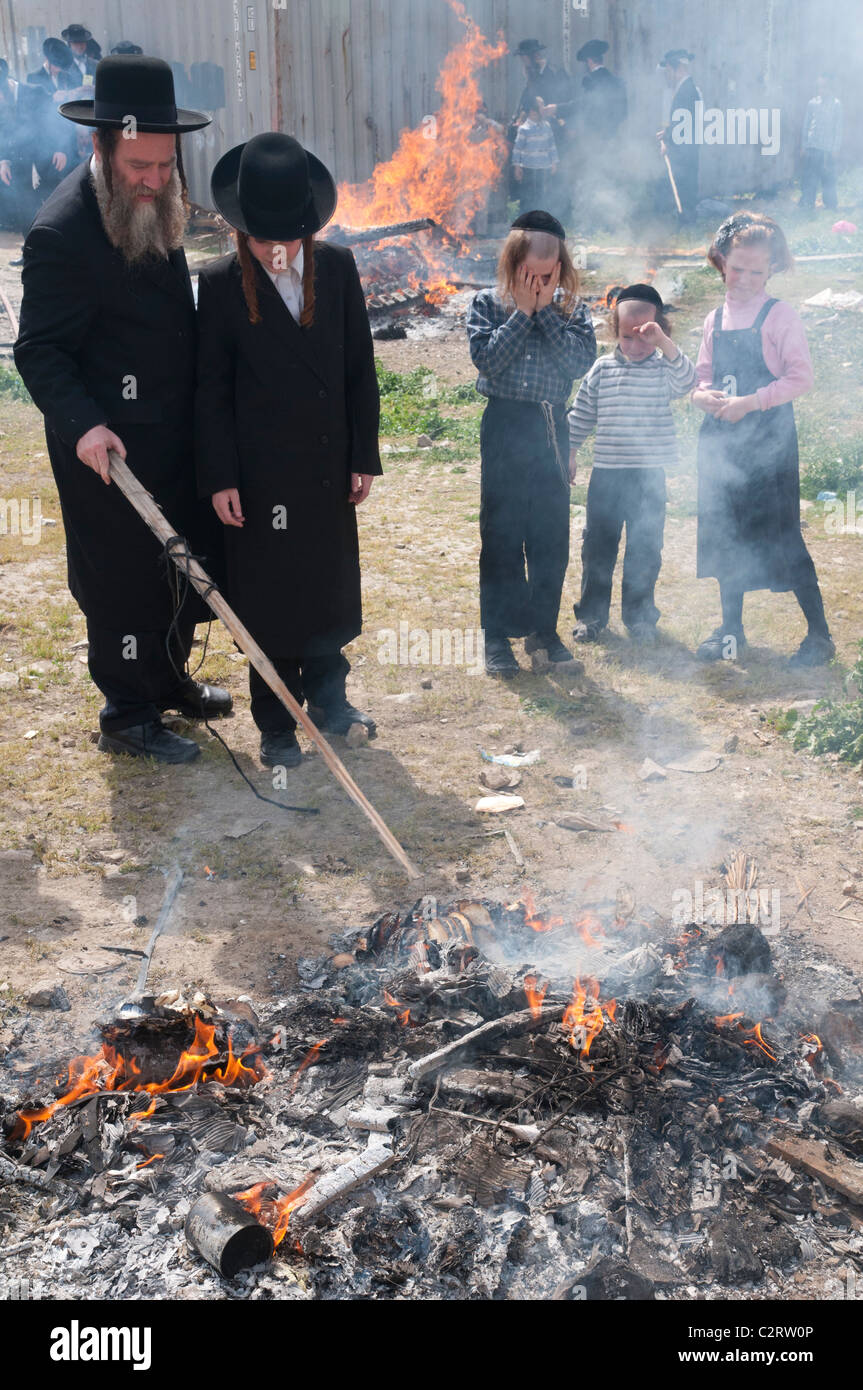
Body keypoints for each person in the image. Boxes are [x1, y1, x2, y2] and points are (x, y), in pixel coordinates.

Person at [14, 55, 231, 763]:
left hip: (170, 430)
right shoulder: (60, 235)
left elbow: (209, 264)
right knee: (122, 578)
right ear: (99, 147)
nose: (156, 180)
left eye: (166, 165)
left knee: (175, 562)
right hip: (105, 448)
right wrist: (84, 426)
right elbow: (39, 352)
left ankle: (169, 683)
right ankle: (127, 713)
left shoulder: (163, 196)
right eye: (140, 166)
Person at [195, 133, 381, 770]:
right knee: (268, 599)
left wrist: (363, 455)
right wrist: (220, 475)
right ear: (242, 230)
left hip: (326, 468)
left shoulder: (338, 269)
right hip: (257, 475)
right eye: (263, 237)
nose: (278, 250)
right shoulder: (219, 284)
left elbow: (359, 368)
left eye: (288, 237)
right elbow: (210, 390)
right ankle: (276, 720)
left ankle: (331, 700)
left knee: (327, 588)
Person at [691, 213, 833, 667]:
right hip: (721, 444)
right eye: (737, 268)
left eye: (757, 271)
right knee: (726, 535)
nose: (746, 279)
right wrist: (702, 396)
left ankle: (819, 637)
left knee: (782, 536)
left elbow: (801, 379)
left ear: (772, 269)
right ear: (721, 262)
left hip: (768, 444)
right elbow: (701, 377)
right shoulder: (715, 318)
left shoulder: (780, 315)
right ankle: (732, 631)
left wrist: (749, 403)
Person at [466, 210, 596, 677]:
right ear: (513, 265)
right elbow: (488, 361)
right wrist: (522, 313)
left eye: (548, 276)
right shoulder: (486, 303)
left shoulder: (573, 310)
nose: (539, 285)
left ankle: (544, 629)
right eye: (530, 276)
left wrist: (544, 316)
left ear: (561, 268)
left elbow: (576, 364)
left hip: (549, 426)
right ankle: (497, 636)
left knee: (549, 535)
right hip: (505, 423)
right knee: (501, 534)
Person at [568, 284, 696, 645]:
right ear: (615, 331)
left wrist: (665, 345)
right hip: (607, 475)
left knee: (644, 548)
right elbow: (580, 415)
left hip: (648, 478)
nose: (636, 346)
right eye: (628, 337)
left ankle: (640, 618)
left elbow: (688, 381)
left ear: (660, 333)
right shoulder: (602, 369)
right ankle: (592, 617)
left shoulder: (662, 369)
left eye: (646, 337)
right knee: (598, 548)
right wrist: (571, 451)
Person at [658, 48, 701, 224]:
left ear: (674, 68)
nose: (667, 74)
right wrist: (667, 133)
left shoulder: (686, 91)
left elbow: (684, 124)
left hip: (685, 149)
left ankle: (687, 221)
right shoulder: (686, 88)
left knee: (685, 185)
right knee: (684, 184)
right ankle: (685, 217)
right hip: (686, 147)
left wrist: (668, 139)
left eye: (668, 70)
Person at [800, 73, 842, 210]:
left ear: (831, 88)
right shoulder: (812, 103)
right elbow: (806, 125)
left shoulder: (836, 104)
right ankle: (807, 202)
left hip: (828, 149)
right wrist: (804, 145)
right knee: (810, 176)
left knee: (828, 177)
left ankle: (830, 204)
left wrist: (836, 148)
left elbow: (838, 128)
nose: (822, 90)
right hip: (812, 146)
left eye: (825, 87)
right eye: (820, 87)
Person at [511, 94, 558, 216]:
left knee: (542, 196)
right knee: (528, 197)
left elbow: (551, 145)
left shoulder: (546, 127)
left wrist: (554, 163)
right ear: (532, 111)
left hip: (544, 168)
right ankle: (526, 225)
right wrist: (517, 167)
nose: (544, 109)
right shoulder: (524, 129)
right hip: (529, 168)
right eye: (541, 106)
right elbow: (517, 149)